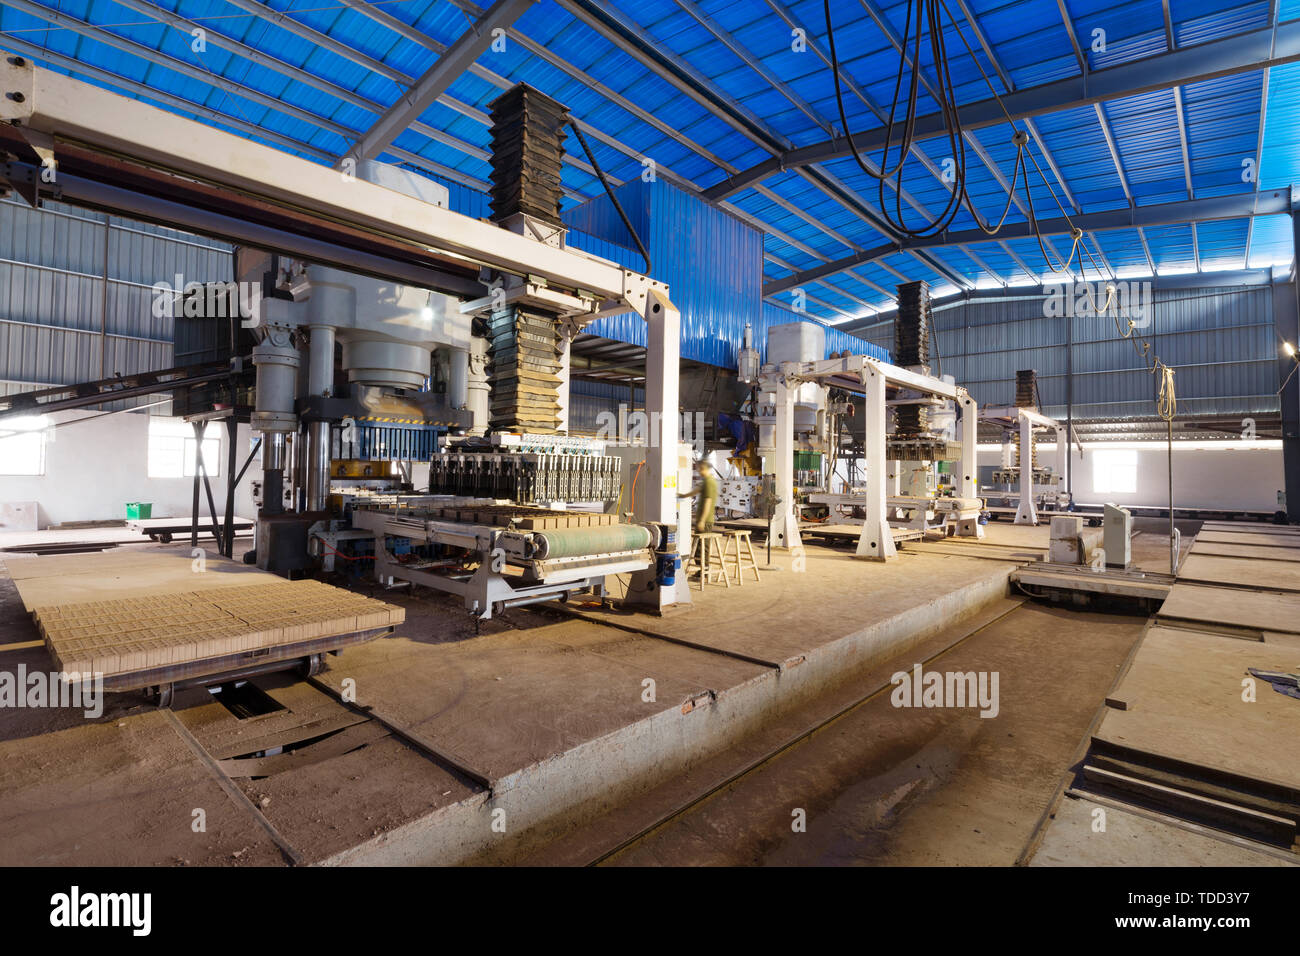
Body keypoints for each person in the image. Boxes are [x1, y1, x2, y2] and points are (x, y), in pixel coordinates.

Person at [678, 460, 718, 534]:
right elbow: (696, 490)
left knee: (702, 545)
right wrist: (683, 496)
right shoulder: (706, 481)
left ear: (703, 468)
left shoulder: (709, 482)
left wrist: (702, 521)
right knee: (698, 544)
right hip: (702, 519)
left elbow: (708, 502)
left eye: (699, 469)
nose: (698, 471)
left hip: (706, 520)